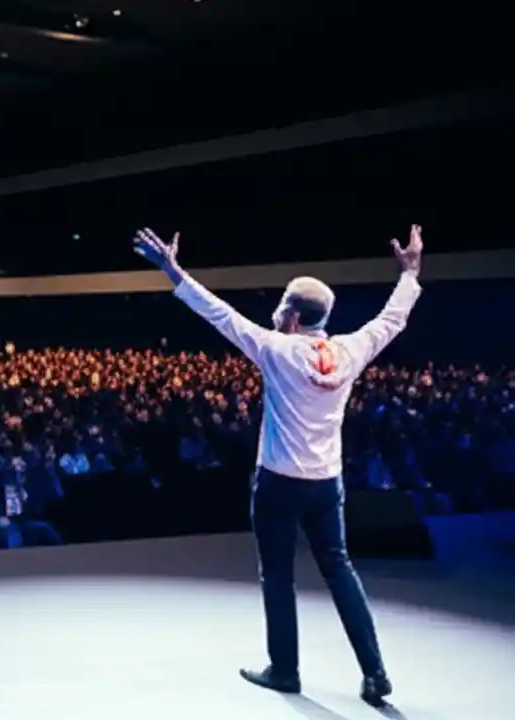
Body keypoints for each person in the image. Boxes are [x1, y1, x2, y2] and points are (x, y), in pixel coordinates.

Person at [132, 223, 424, 705]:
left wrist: (173, 270)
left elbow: (219, 315)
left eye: (283, 300)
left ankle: (285, 671)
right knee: (340, 569)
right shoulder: (349, 350)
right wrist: (410, 274)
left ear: (291, 314)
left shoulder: (276, 348)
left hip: (278, 485)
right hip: (327, 484)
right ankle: (375, 673)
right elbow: (391, 320)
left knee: (278, 575)